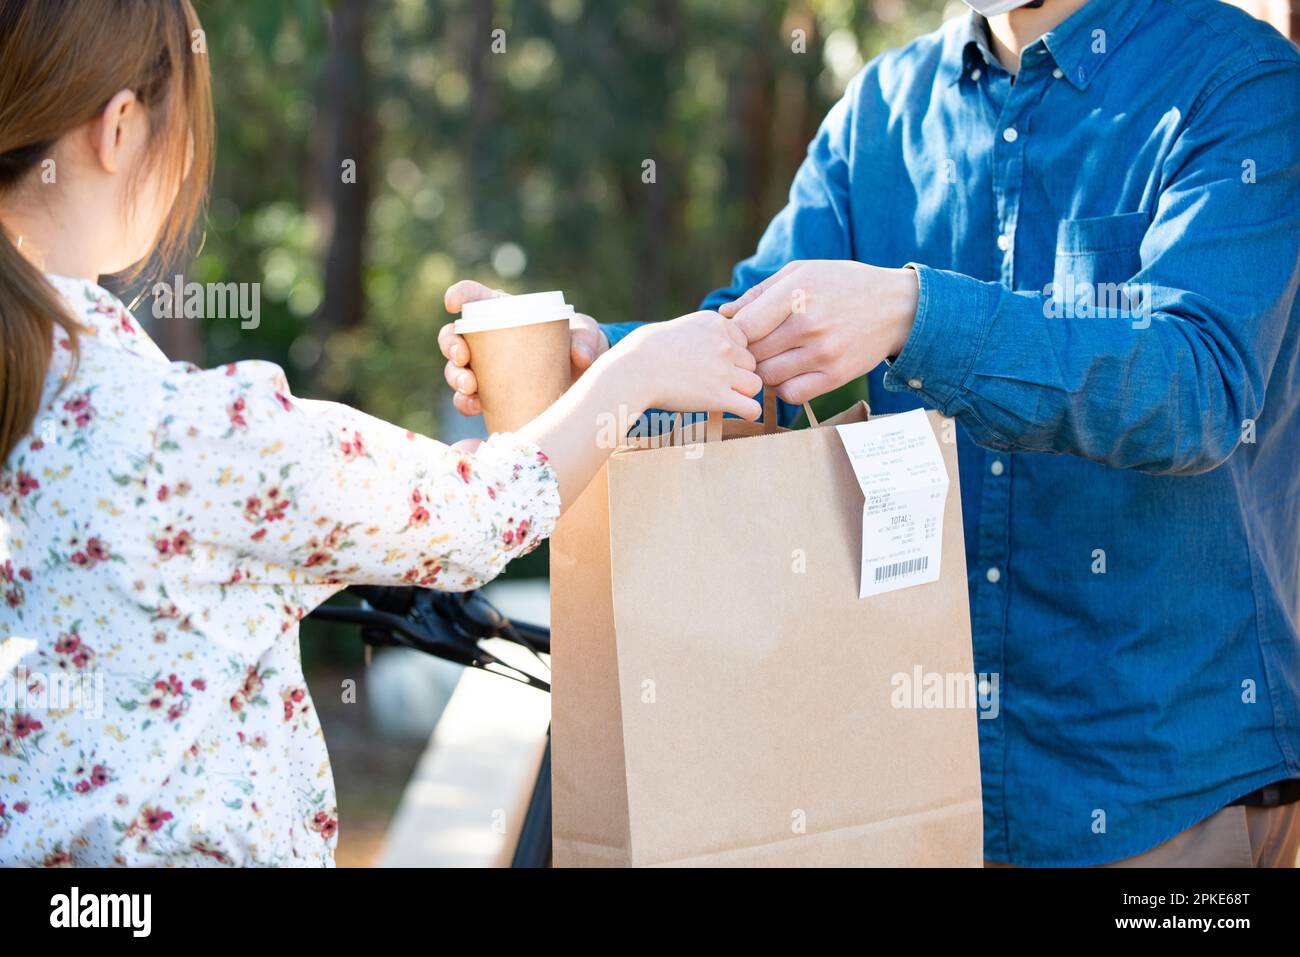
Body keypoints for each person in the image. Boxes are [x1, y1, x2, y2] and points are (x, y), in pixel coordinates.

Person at [442, 0, 1300, 866]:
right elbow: (749, 353)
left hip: (1164, 786)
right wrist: (607, 364)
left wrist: (916, 314)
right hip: (911, 779)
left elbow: (1198, 384)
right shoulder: (882, 110)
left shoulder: (1237, 79)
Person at [0, 0, 761, 867]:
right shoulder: (185, 438)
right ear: (122, 127)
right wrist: (642, 370)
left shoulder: (41, 395)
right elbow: (471, 515)